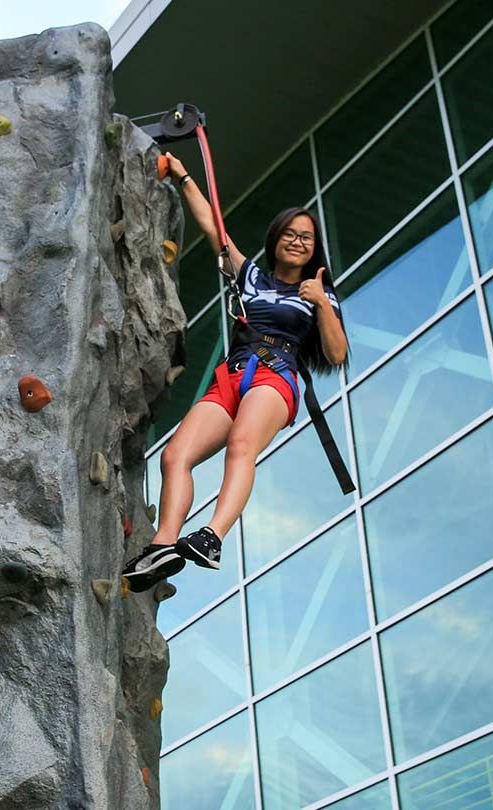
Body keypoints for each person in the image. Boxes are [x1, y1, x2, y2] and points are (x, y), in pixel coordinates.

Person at [122, 153, 348, 592]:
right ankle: (163, 544)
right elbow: (213, 226)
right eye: (291, 233)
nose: (298, 241)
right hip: (233, 373)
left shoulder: (320, 295)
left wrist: (320, 300)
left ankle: (213, 536)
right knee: (175, 455)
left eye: (307, 237)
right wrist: (184, 174)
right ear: (276, 238)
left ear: (314, 249)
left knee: (242, 445)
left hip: (275, 376)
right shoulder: (251, 276)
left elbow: (336, 355)